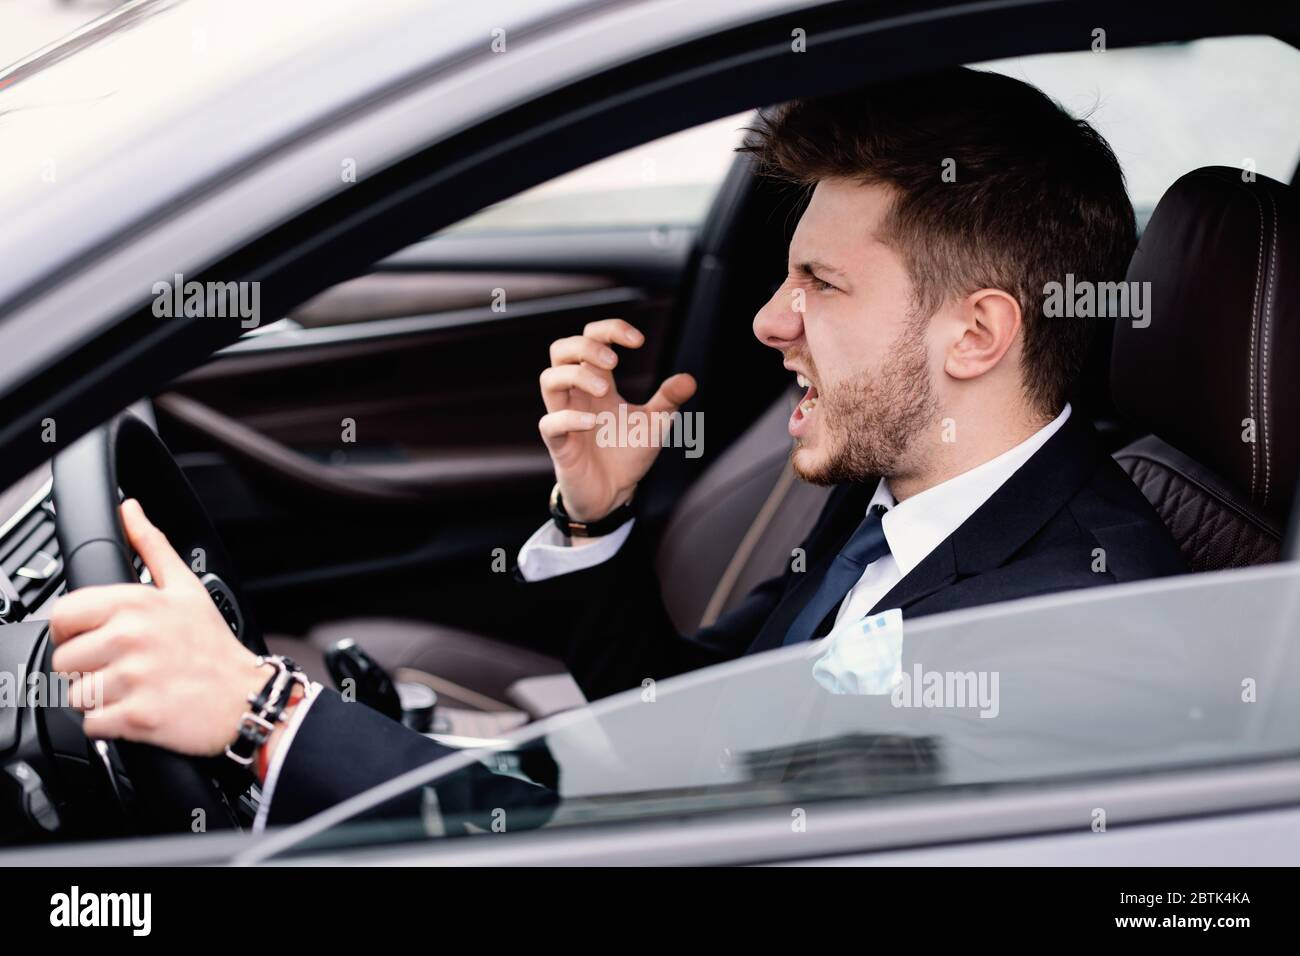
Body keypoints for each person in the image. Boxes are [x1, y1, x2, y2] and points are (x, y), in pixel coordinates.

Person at [48, 68, 1187, 828]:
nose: (768, 321)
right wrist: (593, 519)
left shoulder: (1062, 629)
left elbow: (675, 838)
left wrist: (261, 716)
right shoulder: (909, 499)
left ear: (977, 333)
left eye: (821, 284)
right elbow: (699, 725)